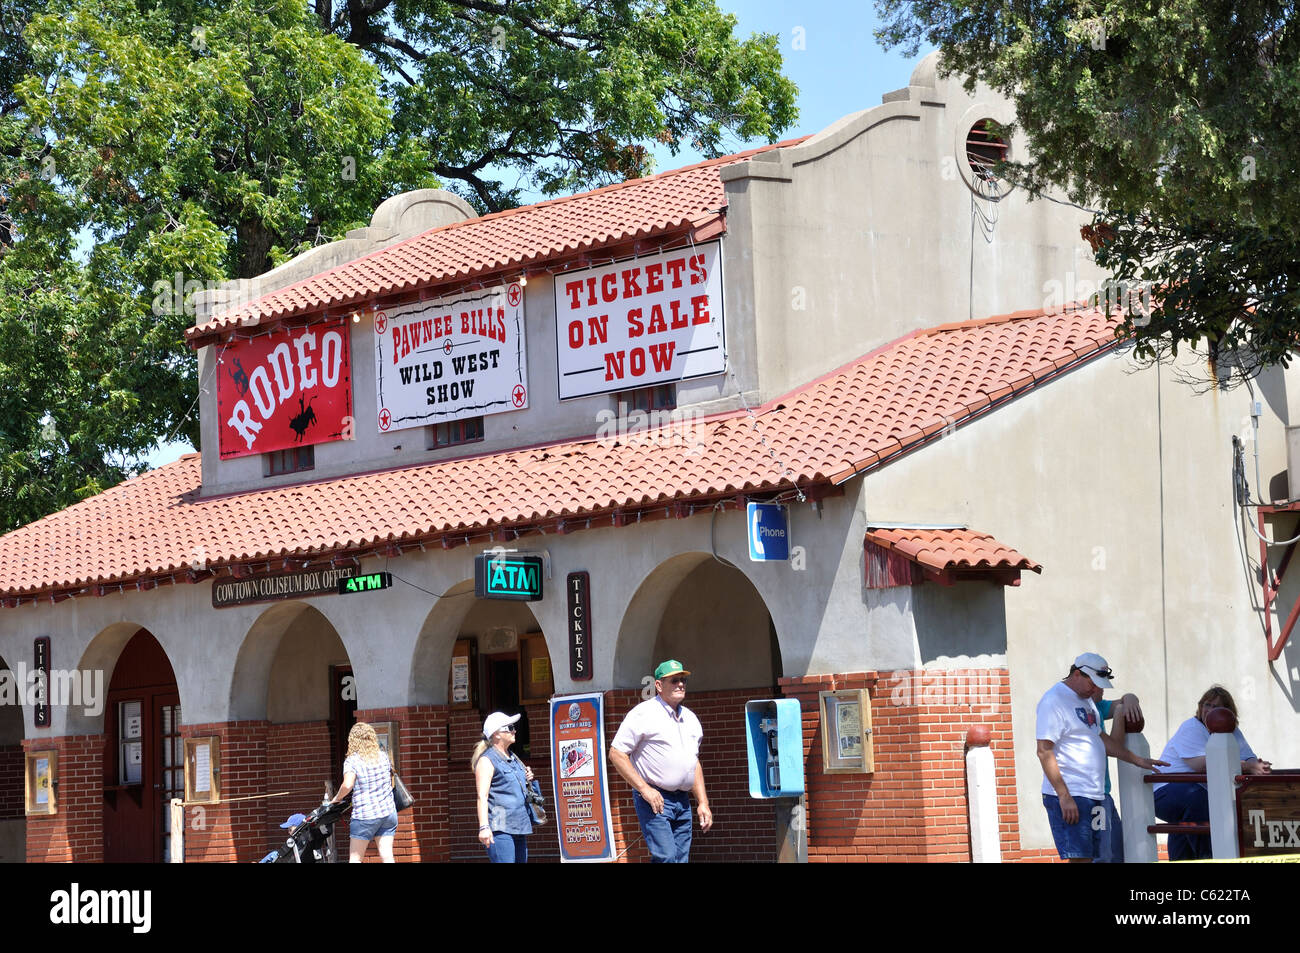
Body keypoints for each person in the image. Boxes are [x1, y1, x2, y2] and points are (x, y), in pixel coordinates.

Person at [1036, 653, 1166, 863]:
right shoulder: (1053, 700)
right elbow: (1044, 751)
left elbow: (1102, 741)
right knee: (1080, 859)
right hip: (1072, 795)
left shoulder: (1087, 701)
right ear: (1077, 674)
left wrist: (1137, 760)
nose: (1096, 689)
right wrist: (1064, 796)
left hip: (1095, 794)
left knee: (1102, 858)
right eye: (1093, 683)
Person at [608, 659, 712, 863]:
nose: (680, 684)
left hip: (682, 800)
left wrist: (703, 802)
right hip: (655, 798)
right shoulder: (643, 713)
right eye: (674, 680)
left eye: (683, 680)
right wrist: (644, 789)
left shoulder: (691, 718)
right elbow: (616, 753)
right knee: (666, 856)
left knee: (681, 858)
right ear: (658, 685)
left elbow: (694, 763)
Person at [1153, 685, 1271, 861]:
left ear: (1228, 711)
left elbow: (1249, 758)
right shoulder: (1191, 727)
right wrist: (1248, 766)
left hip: (1192, 797)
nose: (1209, 710)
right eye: (1206, 705)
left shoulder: (1229, 730)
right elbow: (1200, 765)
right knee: (1197, 799)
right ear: (1200, 707)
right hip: (1165, 792)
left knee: (1185, 823)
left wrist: (1258, 766)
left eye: (1216, 707)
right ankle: (1209, 857)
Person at [1089, 683, 1144, 863]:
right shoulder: (1085, 711)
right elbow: (1115, 746)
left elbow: (1127, 699)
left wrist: (1129, 697)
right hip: (1093, 795)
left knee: (1116, 854)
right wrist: (1120, 713)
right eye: (1098, 686)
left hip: (1103, 793)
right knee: (1103, 856)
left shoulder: (1098, 706)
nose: (1102, 690)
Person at [328, 722, 397, 863]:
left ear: (353, 740)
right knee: (387, 856)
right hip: (388, 812)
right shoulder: (383, 757)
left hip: (365, 815)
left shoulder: (352, 761)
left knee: (355, 859)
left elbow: (347, 785)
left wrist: (336, 799)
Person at [472, 711, 535, 863]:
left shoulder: (513, 757)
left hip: (519, 825)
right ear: (496, 734)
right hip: (500, 828)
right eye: (510, 727)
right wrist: (484, 827)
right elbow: (482, 796)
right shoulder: (486, 760)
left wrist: (528, 777)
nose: (514, 730)